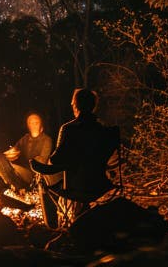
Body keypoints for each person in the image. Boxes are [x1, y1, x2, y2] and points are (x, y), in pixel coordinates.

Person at [30, 88, 119, 225]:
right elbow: (112, 159)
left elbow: (56, 160)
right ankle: (82, 215)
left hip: (77, 187)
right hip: (101, 184)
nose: (72, 105)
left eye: (72, 103)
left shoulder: (69, 129)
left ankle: (54, 225)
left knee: (43, 177)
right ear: (93, 106)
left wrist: (40, 165)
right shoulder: (105, 131)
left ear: (76, 106)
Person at [0, 112, 53, 191]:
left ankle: (20, 187)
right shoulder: (25, 139)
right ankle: (12, 184)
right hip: (19, 171)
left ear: (41, 125)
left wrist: (23, 161)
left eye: (36, 123)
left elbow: (42, 161)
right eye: (31, 123)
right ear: (28, 125)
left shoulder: (47, 140)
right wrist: (10, 153)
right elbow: (14, 150)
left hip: (33, 174)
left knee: (7, 166)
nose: (34, 125)